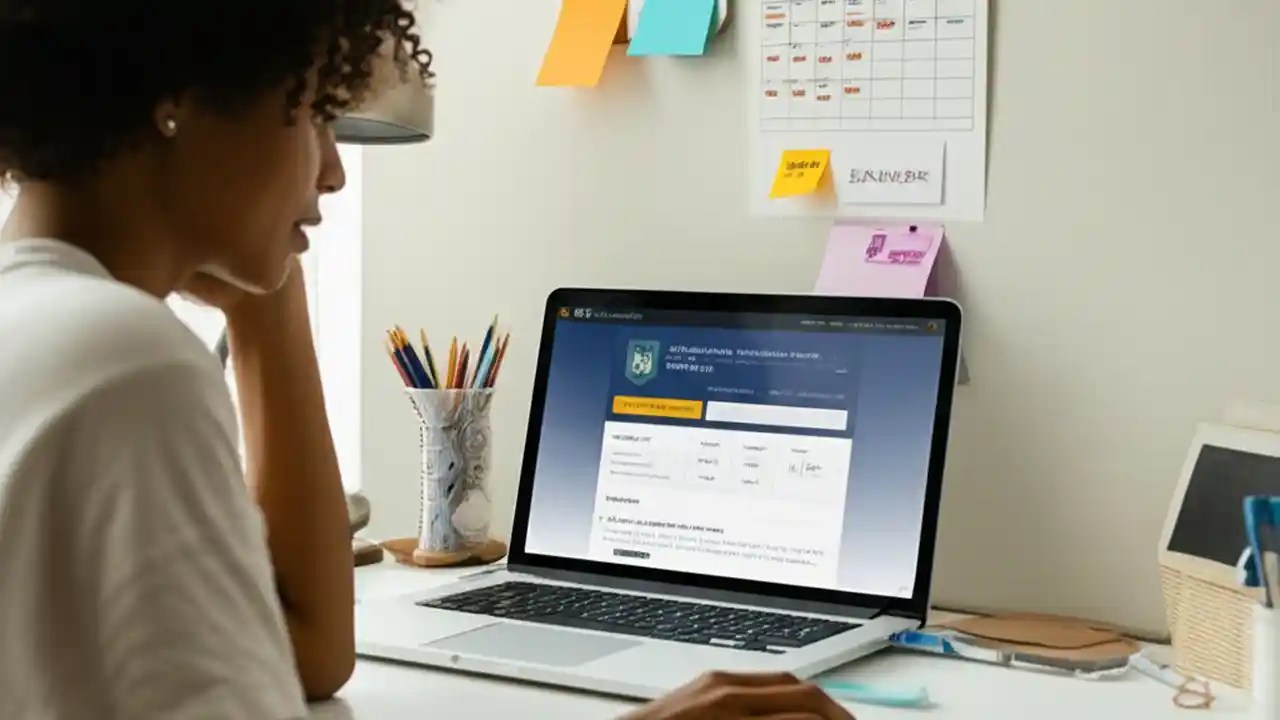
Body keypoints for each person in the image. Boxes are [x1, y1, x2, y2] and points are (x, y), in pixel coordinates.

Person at [0, 3, 855, 719]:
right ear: (178, 97)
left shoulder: (40, 327)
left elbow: (304, 654)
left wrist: (269, 301)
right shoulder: (131, 368)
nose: (332, 171)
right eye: (314, 114)